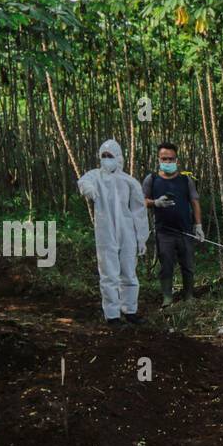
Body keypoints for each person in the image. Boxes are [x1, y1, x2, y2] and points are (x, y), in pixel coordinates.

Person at [78, 139, 149, 327]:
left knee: (129, 273)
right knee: (109, 273)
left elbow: (139, 211)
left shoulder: (130, 181)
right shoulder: (95, 176)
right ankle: (112, 315)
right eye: (104, 156)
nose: (107, 159)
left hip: (127, 232)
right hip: (105, 232)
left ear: (119, 158)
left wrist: (142, 238)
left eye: (110, 156)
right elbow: (83, 182)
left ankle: (130, 311)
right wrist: (89, 190)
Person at [142, 142, 203, 307]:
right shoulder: (152, 179)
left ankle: (188, 296)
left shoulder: (185, 180)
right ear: (158, 159)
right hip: (164, 231)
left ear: (177, 160)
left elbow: (195, 201)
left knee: (188, 265)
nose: (167, 162)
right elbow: (141, 200)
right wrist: (156, 202)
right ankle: (167, 298)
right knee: (166, 266)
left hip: (185, 231)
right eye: (164, 159)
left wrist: (198, 226)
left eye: (171, 159)